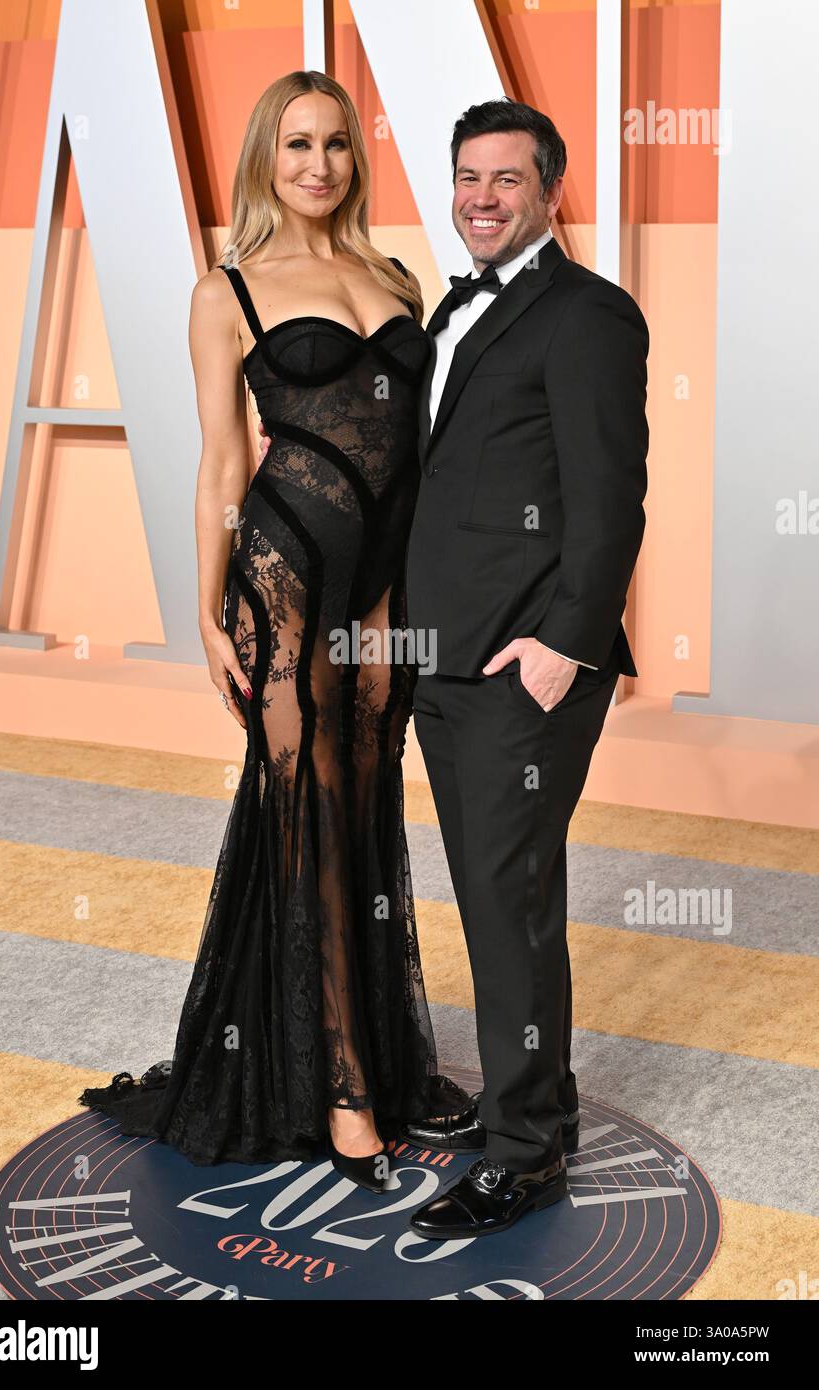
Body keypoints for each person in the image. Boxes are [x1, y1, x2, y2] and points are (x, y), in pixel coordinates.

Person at [77, 70, 468, 1190]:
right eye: (297, 144)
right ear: (265, 157)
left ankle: (364, 1057)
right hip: (283, 576)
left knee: (366, 811)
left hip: (382, 586)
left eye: (337, 144)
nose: (319, 164)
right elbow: (221, 467)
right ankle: (343, 1087)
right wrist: (204, 612)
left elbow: (416, 455)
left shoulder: (394, 273)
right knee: (307, 810)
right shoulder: (227, 288)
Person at [400, 99, 649, 1238]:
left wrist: (563, 647)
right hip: (442, 661)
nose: (481, 198)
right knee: (498, 897)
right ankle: (531, 1101)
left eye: (505, 178)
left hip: (524, 666)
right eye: (466, 178)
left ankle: (525, 1152)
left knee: (508, 904)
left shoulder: (589, 316)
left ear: (548, 188)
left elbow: (608, 504)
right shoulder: (450, 309)